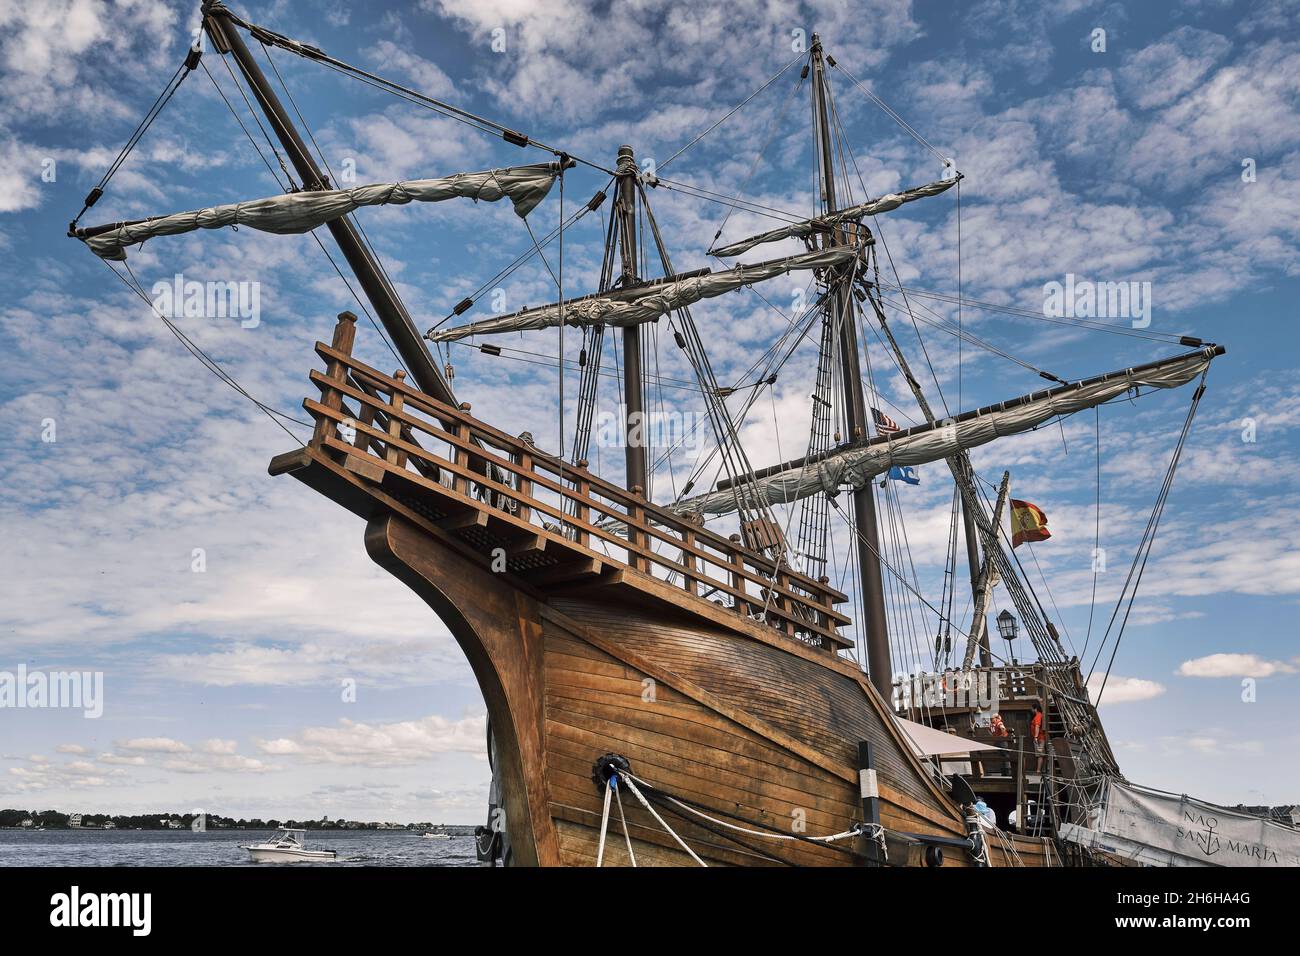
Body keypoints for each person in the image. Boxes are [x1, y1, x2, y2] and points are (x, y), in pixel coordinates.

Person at [1030, 701, 1047, 772]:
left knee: (1040, 754)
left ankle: (1038, 770)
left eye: (1032, 709)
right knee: (1040, 754)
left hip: (1040, 737)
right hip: (1039, 737)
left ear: (1035, 709)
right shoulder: (1038, 715)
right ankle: (1040, 769)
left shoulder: (1038, 715)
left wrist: (1036, 737)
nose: (1031, 710)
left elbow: (1037, 726)